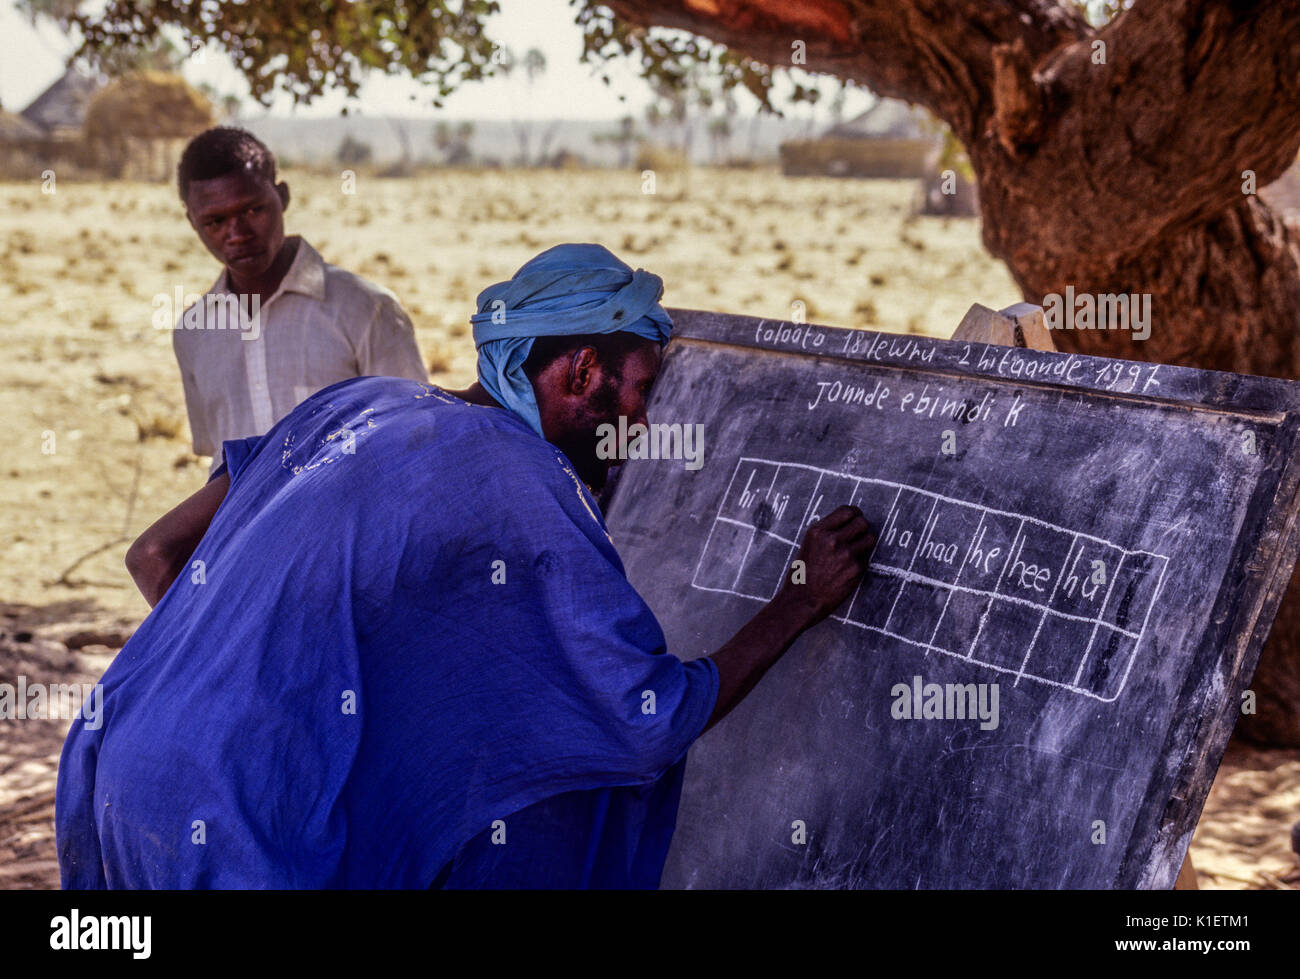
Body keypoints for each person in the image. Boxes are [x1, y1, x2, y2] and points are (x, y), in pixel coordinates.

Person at [56, 244, 876, 889]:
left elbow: (156, 554)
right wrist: (798, 601)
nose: (643, 416)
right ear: (581, 370)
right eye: (639, 387)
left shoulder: (359, 401)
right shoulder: (522, 477)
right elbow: (646, 718)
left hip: (115, 765)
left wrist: (237, 678)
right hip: (246, 818)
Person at [171, 127, 428, 475]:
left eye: (253, 210)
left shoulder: (367, 309)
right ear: (192, 221)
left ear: (283, 197)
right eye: (215, 221)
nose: (238, 234)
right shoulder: (193, 332)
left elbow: (415, 438)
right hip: (246, 528)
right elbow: (216, 458)